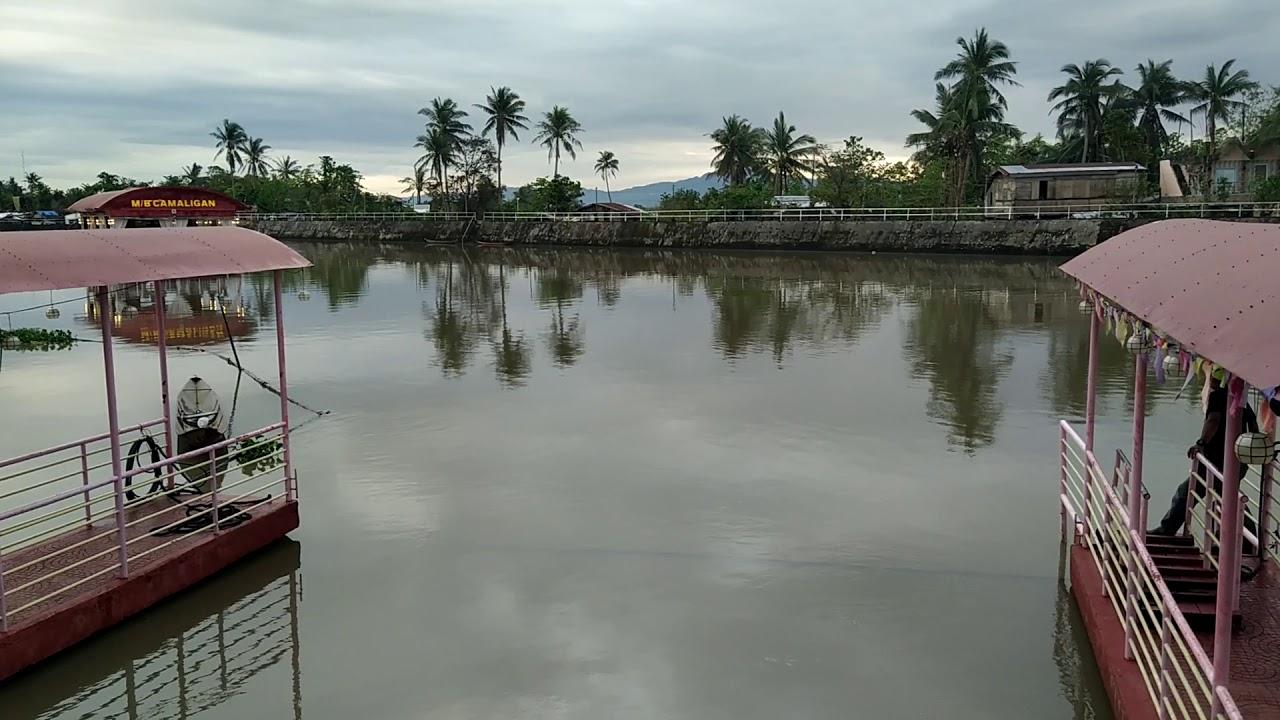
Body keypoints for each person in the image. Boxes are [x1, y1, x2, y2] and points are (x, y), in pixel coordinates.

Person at [1150, 370, 1258, 538]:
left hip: (1216, 459)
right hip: (1237, 460)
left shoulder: (1218, 396)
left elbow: (1213, 420)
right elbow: (1253, 423)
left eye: (1211, 377)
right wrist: (1252, 447)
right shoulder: (1238, 398)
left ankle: (1168, 529)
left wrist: (1201, 443)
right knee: (1228, 497)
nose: (1208, 380)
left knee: (1186, 493)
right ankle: (1250, 537)